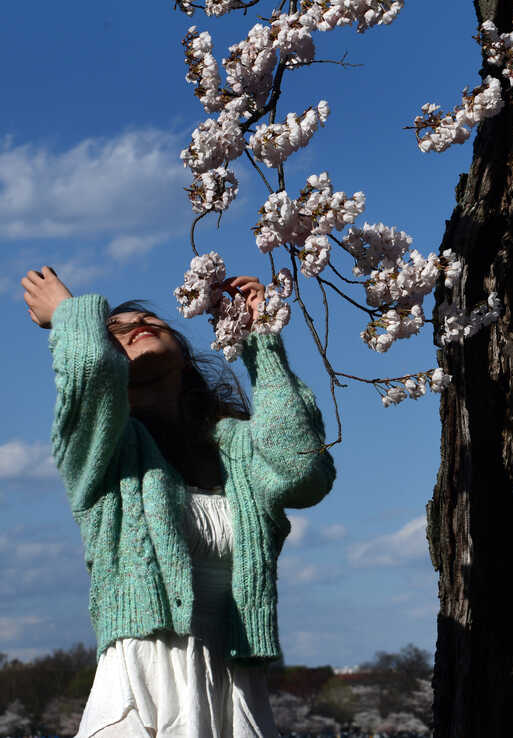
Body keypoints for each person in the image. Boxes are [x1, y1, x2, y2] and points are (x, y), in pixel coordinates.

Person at [23, 267, 336, 738]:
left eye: (150, 321)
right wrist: (69, 315)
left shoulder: (237, 449)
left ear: (185, 351)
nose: (137, 326)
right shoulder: (102, 454)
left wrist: (261, 343)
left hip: (234, 682)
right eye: (119, 331)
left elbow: (303, 470)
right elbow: (88, 373)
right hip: (142, 682)